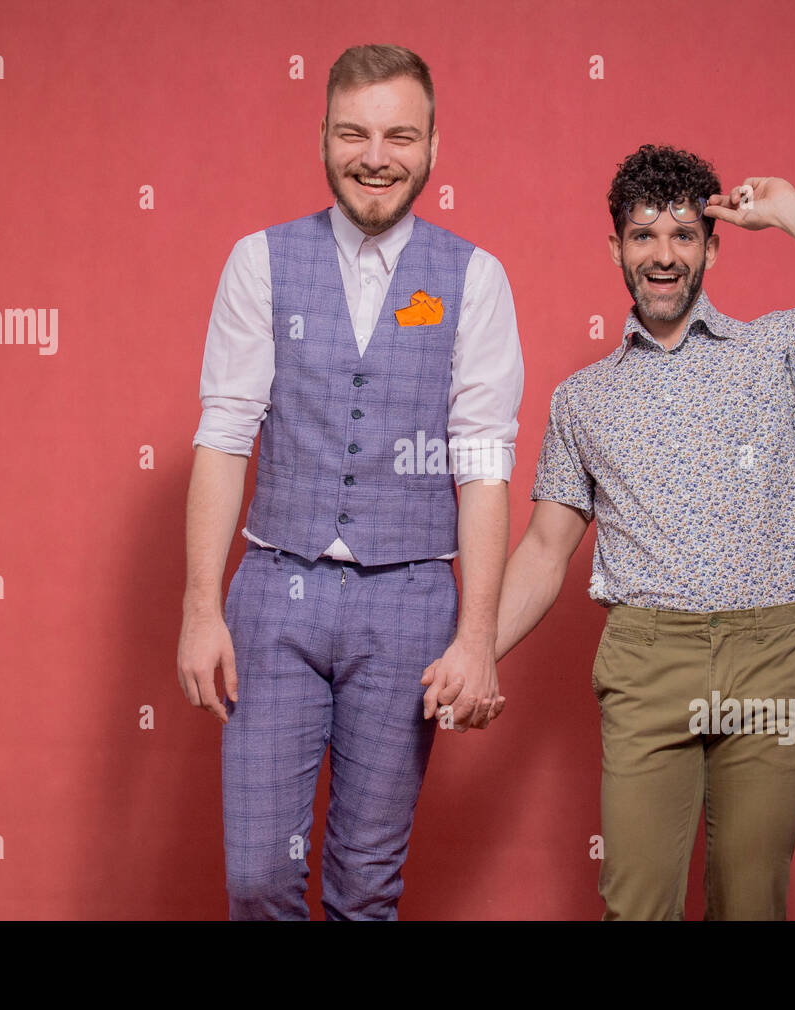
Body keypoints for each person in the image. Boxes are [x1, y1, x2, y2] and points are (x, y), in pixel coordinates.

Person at [487, 144, 795, 920]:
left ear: (713, 247)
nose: (663, 254)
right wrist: (471, 652)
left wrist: (787, 210)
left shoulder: (777, 353)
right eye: (643, 235)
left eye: (684, 234)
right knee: (637, 907)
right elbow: (546, 551)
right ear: (616, 248)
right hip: (647, 664)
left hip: (771, 656)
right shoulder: (582, 400)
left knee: (751, 905)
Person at [177, 43, 523, 920]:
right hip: (273, 599)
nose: (376, 155)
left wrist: (477, 634)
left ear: (433, 147)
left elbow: (484, 465)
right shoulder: (259, 262)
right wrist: (200, 607)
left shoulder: (474, 279)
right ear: (323, 139)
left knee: (364, 886)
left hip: (409, 605)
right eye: (354, 133)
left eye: (400, 134)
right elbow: (223, 437)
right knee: (258, 876)